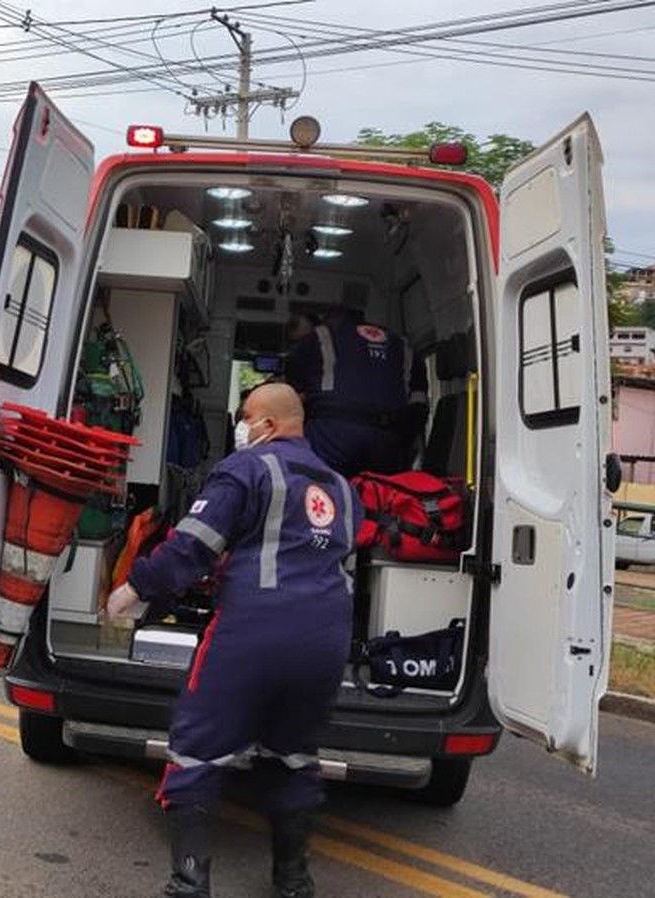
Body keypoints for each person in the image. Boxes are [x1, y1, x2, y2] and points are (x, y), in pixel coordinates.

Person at [107, 383, 359, 898]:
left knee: (196, 751)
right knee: (293, 754)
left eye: (246, 416)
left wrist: (133, 587)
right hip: (327, 639)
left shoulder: (246, 469)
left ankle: (189, 884)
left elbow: (192, 548)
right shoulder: (341, 487)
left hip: (254, 632)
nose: (241, 425)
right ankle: (292, 882)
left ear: (267, 423)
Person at [284, 305, 428, 478]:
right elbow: (419, 405)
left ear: (330, 320)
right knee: (381, 495)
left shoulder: (318, 337)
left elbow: (293, 400)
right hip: (387, 441)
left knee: (326, 491)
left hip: (332, 436)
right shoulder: (403, 344)